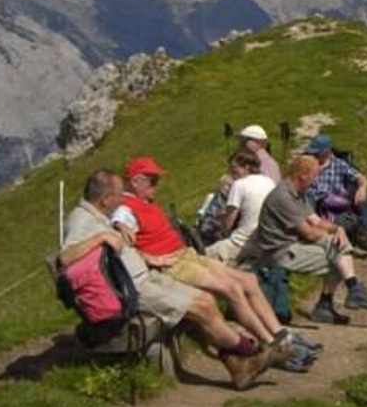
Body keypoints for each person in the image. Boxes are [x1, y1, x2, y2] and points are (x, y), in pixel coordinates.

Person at [61, 169, 272, 389]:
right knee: (201, 306)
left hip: (143, 276)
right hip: (130, 291)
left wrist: (148, 257)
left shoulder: (97, 215)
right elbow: (64, 258)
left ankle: (239, 364)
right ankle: (251, 353)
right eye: (118, 195)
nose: (122, 199)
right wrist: (100, 236)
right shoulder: (81, 221)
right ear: (105, 199)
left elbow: (118, 250)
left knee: (206, 299)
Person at [112, 156, 318, 370]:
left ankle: (280, 334)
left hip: (185, 255)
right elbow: (120, 235)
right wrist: (146, 256)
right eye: (152, 180)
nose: (156, 185)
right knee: (232, 289)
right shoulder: (124, 209)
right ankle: (272, 346)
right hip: (172, 265)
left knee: (248, 280)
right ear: (135, 181)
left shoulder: (144, 202)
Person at [237, 155, 367, 324]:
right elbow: (308, 232)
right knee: (338, 257)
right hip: (278, 252)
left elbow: (316, 220)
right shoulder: (283, 196)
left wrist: (338, 229)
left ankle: (343, 296)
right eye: (314, 176)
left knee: (339, 251)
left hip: (292, 244)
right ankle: (341, 296)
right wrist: (332, 236)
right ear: (303, 176)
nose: (316, 181)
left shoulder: (299, 193)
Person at [303, 134, 367, 253]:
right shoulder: (307, 163)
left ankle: (363, 231)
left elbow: (360, 177)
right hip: (316, 202)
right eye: (313, 153)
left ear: (327, 152)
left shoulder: (338, 164)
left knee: (364, 197)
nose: (314, 155)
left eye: (317, 153)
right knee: (309, 197)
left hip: (336, 202)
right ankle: (309, 232)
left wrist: (362, 188)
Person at [206, 150, 275, 265]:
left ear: (246, 167)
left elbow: (228, 223)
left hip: (243, 242)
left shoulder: (239, 184)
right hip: (268, 239)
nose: (231, 172)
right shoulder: (269, 181)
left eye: (234, 168)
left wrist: (221, 231)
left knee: (201, 256)